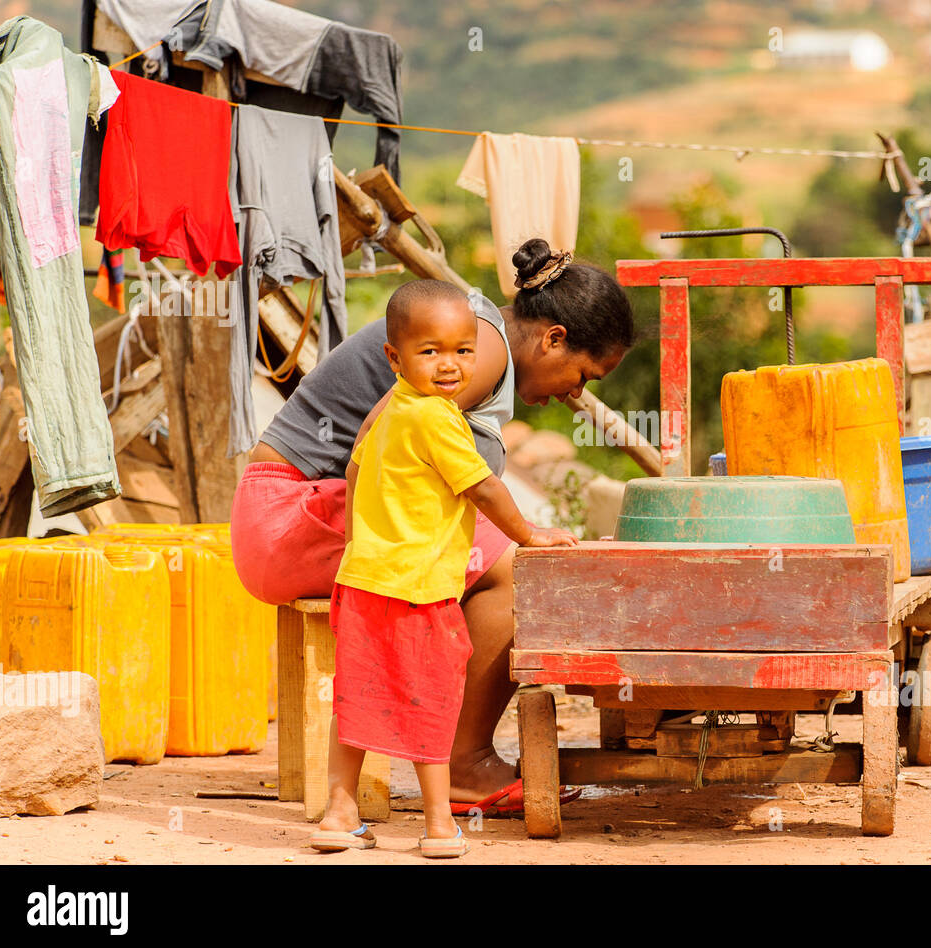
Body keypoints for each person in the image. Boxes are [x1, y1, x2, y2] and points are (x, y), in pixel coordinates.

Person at [230, 238, 635, 819]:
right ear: (553, 339)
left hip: (288, 517)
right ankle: (465, 763)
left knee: (500, 552)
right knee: (524, 574)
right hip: (298, 516)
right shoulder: (483, 351)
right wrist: (519, 535)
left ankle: (445, 753)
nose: (575, 392)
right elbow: (381, 434)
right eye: (583, 375)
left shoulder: (478, 339)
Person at [310, 281, 576, 856]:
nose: (451, 365)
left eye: (463, 350)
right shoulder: (439, 419)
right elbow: (484, 488)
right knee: (430, 702)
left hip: (360, 583)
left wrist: (361, 547)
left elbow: (354, 479)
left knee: (357, 699)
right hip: (419, 589)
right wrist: (530, 534)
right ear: (394, 357)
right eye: (431, 351)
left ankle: (340, 812)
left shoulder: (386, 414)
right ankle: (438, 826)